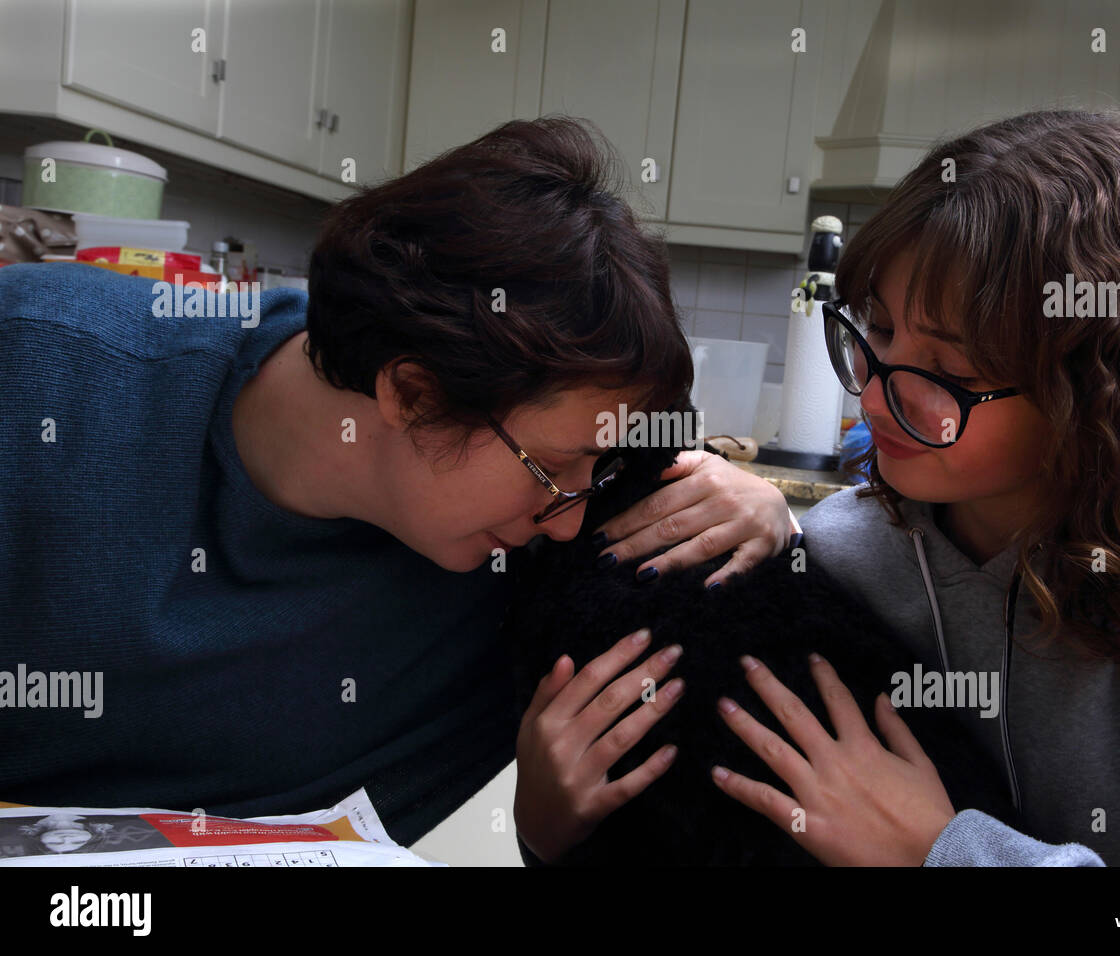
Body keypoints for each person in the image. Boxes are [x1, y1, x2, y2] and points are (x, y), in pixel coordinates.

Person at [0, 116, 796, 849]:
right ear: (412, 394)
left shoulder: (529, 560)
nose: (565, 519)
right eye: (551, 470)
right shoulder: (39, 371)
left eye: (598, 471)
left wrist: (779, 523)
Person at [696, 109, 1120, 865]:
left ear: (1104, 389)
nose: (876, 398)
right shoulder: (846, 555)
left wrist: (947, 853)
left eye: (949, 373)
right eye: (877, 334)